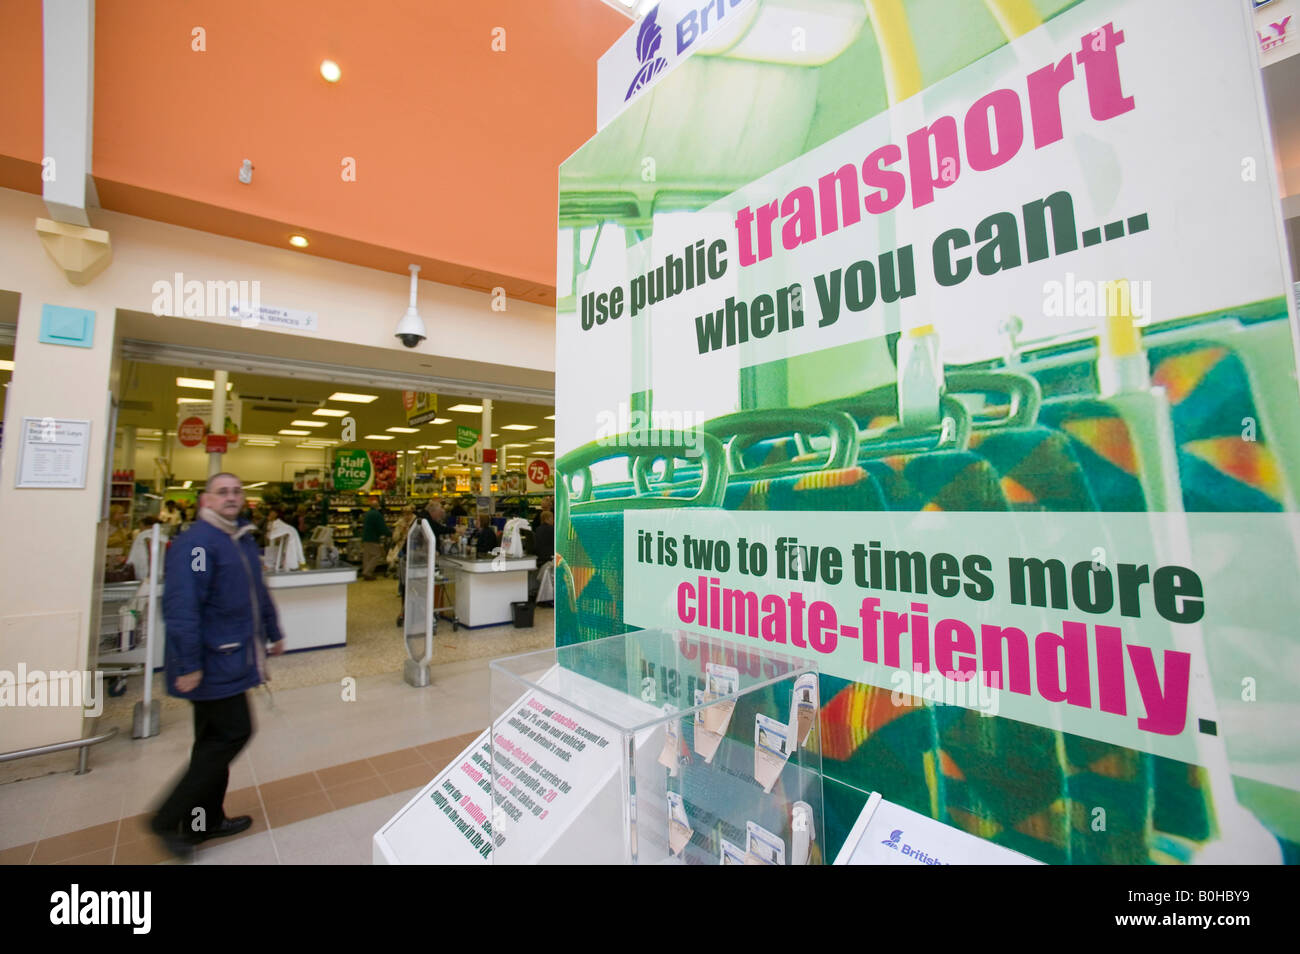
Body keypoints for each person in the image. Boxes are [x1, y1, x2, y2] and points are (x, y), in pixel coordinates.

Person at [151, 472, 285, 859]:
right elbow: (181, 608)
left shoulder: (238, 538)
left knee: (211, 741)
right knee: (233, 732)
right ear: (205, 500)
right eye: (221, 492)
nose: (231, 497)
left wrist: (273, 630)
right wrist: (189, 663)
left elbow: (257, 592)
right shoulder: (196, 545)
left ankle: (201, 822)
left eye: (237, 491)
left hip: (231, 656)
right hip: (211, 661)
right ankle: (166, 819)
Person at [360, 496, 389, 580]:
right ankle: (367, 572)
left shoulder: (368, 513)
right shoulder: (377, 514)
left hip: (365, 537)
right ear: (378, 506)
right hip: (373, 538)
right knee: (376, 555)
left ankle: (366, 573)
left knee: (367, 556)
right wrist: (389, 533)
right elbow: (381, 527)